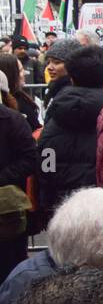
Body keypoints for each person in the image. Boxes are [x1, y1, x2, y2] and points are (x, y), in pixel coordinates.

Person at [37, 45, 103, 212]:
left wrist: (47, 202)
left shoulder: (53, 122)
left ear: (71, 78)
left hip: (63, 208)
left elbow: (46, 163)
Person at [0, 70, 36, 282]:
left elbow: (30, 159)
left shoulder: (12, 121)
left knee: (9, 268)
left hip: (6, 213)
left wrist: (3, 178)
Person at [0, 54, 39, 131]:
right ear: (9, 74)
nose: (24, 73)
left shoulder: (21, 96)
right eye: (20, 70)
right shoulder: (15, 102)